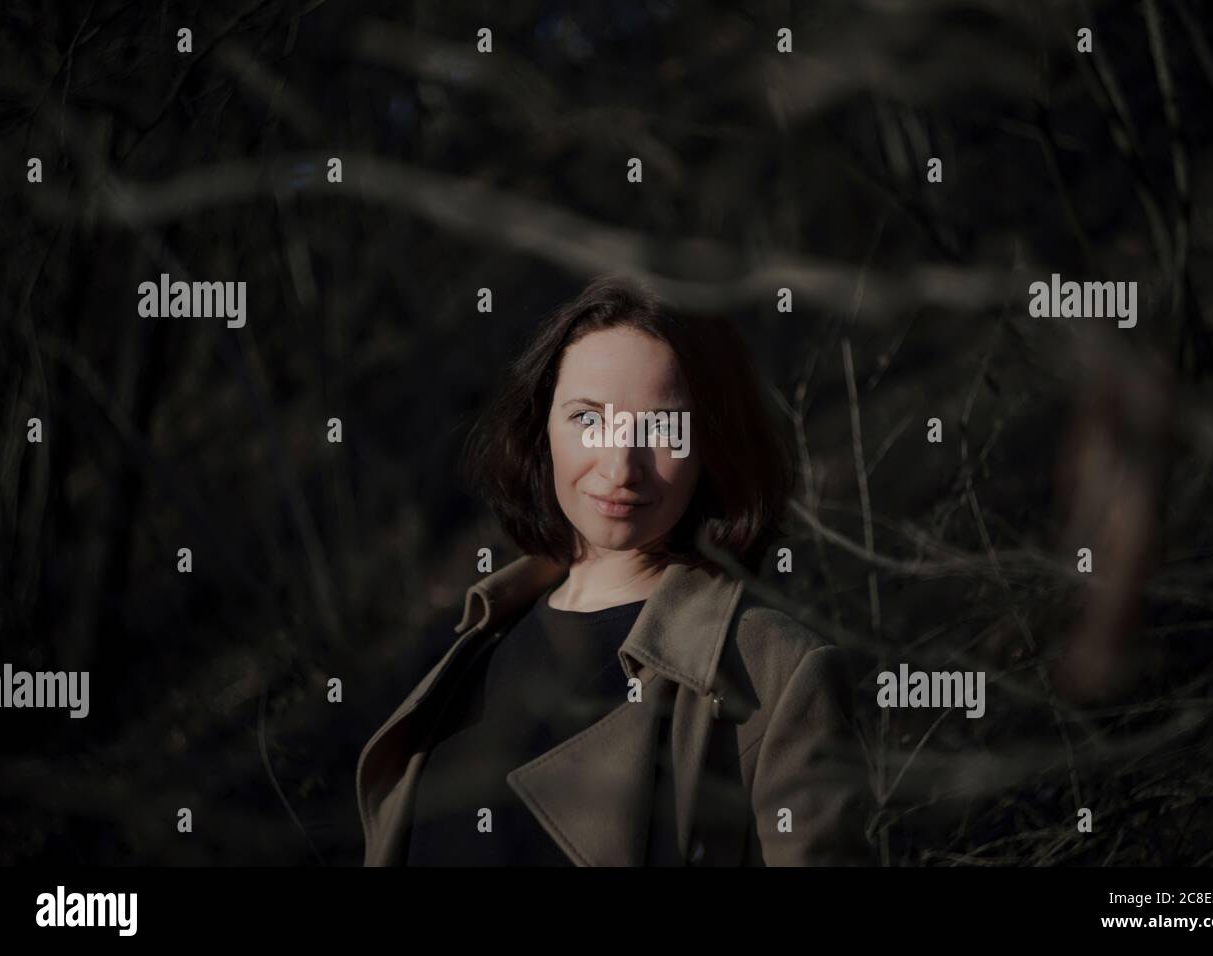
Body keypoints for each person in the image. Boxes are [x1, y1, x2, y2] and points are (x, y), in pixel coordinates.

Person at [356, 274, 871, 866]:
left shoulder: (776, 673)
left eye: (662, 426)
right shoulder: (474, 640)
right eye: (587, 418)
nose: (621, 466)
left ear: (713, 444)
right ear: (541, 427)